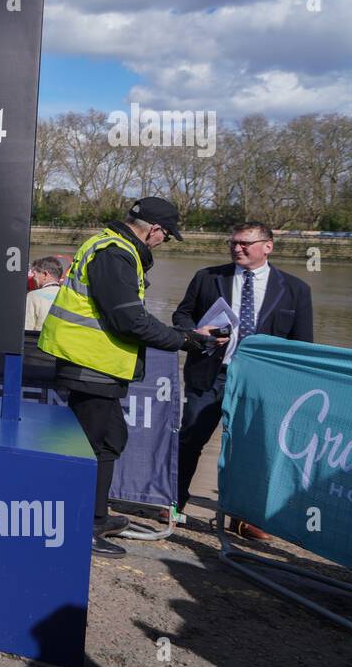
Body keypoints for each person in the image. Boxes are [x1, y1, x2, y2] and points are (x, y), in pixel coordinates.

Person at [37, 198, 221, 557]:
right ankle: (75, 529)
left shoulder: (112, 246)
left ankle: (95, 517)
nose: (162, 242)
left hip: (98, 365)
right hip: (88, 365)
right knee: (87, 448)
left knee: (108, 441)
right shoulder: (115, 253)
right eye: (166, 236)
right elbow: (130, 320)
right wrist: (186, 340)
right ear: (154, 228)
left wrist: (190, 336)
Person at [171, 222, 313, 538]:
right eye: (233, 242)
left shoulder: (295, 289)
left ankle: (243, 517)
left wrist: (291, 390)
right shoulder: (208, 277)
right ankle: (174, 504)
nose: (237, 248)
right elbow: (181, 316)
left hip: (261, 385)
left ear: (268, 246)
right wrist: (197, 333)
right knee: (191, 439)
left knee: (252, 451)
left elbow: (302, 345)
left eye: (245, 243)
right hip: (209, 375)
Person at [24, 255, 64, 330]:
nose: (33, 278)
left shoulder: (32, 296)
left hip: (40, 340)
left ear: (45, 274)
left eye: (34, 274)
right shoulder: (69, 295)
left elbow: (27, 329)